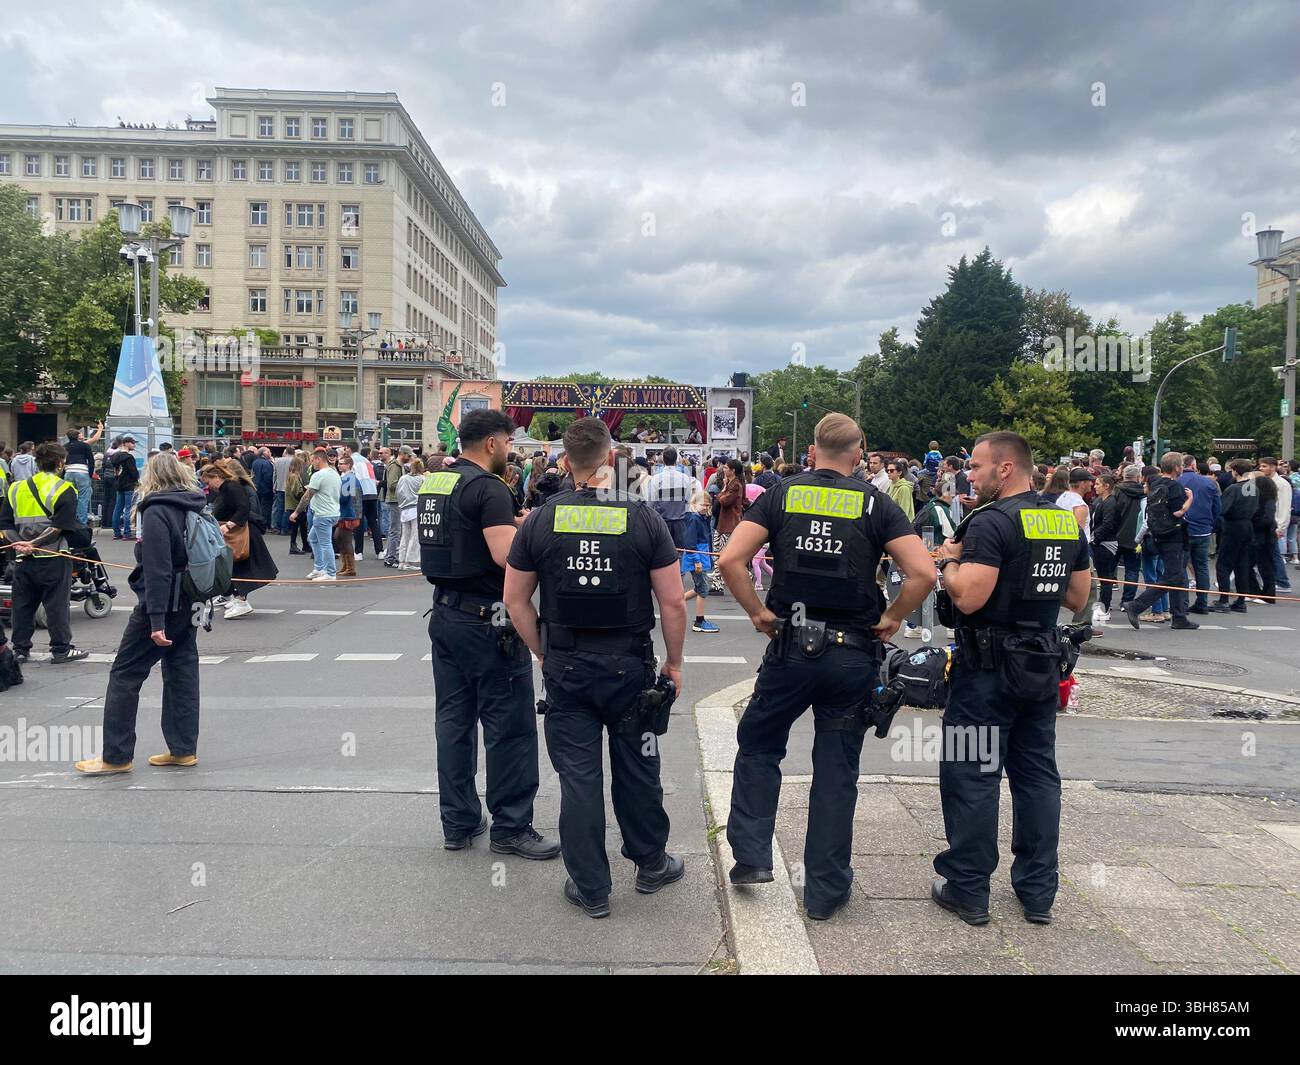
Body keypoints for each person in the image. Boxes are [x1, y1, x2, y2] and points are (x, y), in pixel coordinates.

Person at [716, 413, 934, 920]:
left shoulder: (781, 495)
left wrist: (757, 612)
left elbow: (730, 561)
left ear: (811, 451)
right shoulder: (876, 503)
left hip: (791, 647)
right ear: (859, 455)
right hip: (852, 653)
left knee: (759, 745)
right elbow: (922, 572)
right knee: (836, 772)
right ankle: (825, 891)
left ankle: (751, 858)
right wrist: (893, 617)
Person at [504, 416, 687, 918]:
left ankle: (590, 887)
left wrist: (542, 649)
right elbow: (672, 603)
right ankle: (650, 864)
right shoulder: (643, 517)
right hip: (629, 666)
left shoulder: (541, 519)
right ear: (610, 458)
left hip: (567, 667)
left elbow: (515, 600)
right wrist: (673, 663)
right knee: (638, 767)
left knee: (579, 778)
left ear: (565, 461)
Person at [930, 431, 1091, 926]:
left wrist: (948, 560)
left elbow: (970, 597)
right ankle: (1038, 892)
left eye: (976, 466)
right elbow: (1077, 598)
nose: (969, 475)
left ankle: (968, 888)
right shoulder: (1063, 521)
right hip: (1041, 665)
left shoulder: (991, 520)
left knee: (971, 776)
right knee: (1037, 776)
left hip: (985, 671)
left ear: (1004, 468)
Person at [420, 409, 559, 860]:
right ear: (493, 444)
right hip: (488, 621)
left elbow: (462, 534)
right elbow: (504, 557)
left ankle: (458, 823)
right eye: (510, 441)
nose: (513, 449)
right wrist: (533, 534)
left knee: (454, 723)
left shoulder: (437, 481)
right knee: (509, 728)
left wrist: (513, 522)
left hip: (445, 615)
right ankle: (511, 827)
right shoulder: (489, 488)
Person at [75, 453, 207, 775]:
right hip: (192, 599)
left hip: (163, 603)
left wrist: (156, 618)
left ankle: (116, 756)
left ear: (150, 478)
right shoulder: (194, 504)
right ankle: (183, 748)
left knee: (125, 673)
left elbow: (157, 568)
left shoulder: (157, 510)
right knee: (181, 671)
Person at [1, 442, 91, 664]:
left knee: (22, 605)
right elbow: (60, 526)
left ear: (38, 463)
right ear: (60, 463)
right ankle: (61, 649)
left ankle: (20, 649)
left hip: (22, 558)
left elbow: (5, 524)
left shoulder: (15, 488)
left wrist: (21, 544)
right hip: (53, 557)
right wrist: (34, 543)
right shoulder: (64, 488)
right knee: (56, 605)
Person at [1122, 452, 1196, 630]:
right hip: (1174, 536)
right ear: (1177, 467)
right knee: (1173, 576)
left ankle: (1179, 616)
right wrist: (1190, 501)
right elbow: (1178, 512)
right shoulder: (1175, 487)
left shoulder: (1154, 484)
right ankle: (1137, 605)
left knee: (1175, 575)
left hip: (1158, 534)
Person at [201, 459, 277, 618]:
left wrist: (228, 525)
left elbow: (243, 507)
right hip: (239, 532)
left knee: (242, 566)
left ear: (216, 476)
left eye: (208, 482)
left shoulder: (231, 487)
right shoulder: (227, 487)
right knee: (236, 566)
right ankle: (237, 597)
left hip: (241, 533)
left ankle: (241, 600)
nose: (209, 486)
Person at [1214, 459, 1259, 612]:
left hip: (1233, 526)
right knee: (1242, 564)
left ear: (1235, 471)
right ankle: (1241, 600)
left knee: (1224, 564)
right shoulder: (1253, 488)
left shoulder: (1233, 489)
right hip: (1248, 526)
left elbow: (1223, 509)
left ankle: (1223, 599)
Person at [1178, 454, 1221, 614]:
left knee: (1181, 566)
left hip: (1183, 529)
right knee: (1202, 566)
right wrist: (1210, 523)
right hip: (1203, 530)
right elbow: (1217, 508)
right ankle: (1202, 602)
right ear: (1194, 465)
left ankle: (1182, 603)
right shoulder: (1209, 483)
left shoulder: (1177, 482)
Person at [290, 449, 341, 580]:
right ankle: (319, 568)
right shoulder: (334, 473)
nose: (311, 463)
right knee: (313, 538)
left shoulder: (318, 475)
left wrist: (296, 512)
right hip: (333, 512)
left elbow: (307, 497)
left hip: (322, 513)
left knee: (325, 543)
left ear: (318, 459)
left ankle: (330, 572)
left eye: (312, 460)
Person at [680, 490, 719, 633]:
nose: (705, 507)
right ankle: (699, 621)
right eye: (703, 504)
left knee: (699, 587)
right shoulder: (694, 519)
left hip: (700, 557)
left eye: (708, 505)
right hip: (696, 558)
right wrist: (697, 561)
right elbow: (690, 543)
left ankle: (676, 604)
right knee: (702, 589)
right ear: (694, 504)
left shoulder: (700, 518)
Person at [64, 422, 104, 525]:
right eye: (80, 434)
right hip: (82, 471)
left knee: (70, 496)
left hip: (68, 471)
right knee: (83, 497)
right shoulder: (84, 446)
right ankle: (81, 522)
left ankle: (70, 520)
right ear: (77, 436)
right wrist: (90, 474)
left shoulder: (65, 446)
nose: (82, 435)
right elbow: (91, 460)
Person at [334, 455, 363, 577]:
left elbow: (344, 498)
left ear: (349, 465)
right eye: (339, 463)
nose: (339, 465)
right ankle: (346, 565)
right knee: (340, 538)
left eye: (342, 464)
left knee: (344, 540)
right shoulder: (348, 478)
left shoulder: (349, 478)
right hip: (348, 513)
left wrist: (333, 496)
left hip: (347, 514)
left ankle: (350, 567)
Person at [395, 457, 424, 569]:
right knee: (414, 536)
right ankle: (410, 561)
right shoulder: (422, 479)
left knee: (405, 535)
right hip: (416, 508)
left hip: (404, 508)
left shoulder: (403, 478)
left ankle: (402, 560)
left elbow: (398, 492)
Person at [110, 436, 141, 539]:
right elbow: (133, 472)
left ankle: (116, 532)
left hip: (119, 484)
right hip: (129, 485)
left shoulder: (115, 456)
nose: (134, 445)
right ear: (126, 443)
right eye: (132, 443)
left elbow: (116, 471)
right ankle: (127, 533)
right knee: (128, 508)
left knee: (117, 508)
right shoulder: (129, 457)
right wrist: (137, 479)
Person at [284, 452, 310, 556]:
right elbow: (297, 491)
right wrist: (305, 493)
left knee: (300, 526)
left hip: (292, 504)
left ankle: (302, 544)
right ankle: (294, 546)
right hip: (295, 504)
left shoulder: (291, 475)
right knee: (298, 527)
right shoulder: (295, 476)